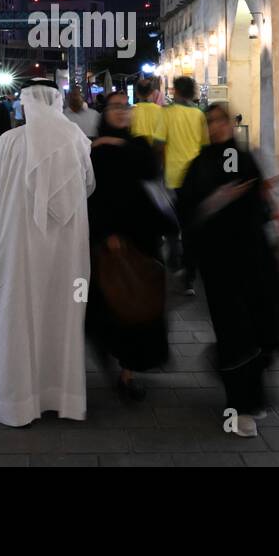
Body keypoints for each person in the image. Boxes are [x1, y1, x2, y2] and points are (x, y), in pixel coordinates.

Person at [178, 103, 279, 438]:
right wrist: (215, 201)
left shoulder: (247, 159)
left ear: (232, 124)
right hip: (219, 265)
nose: (216, 127)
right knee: (234, 334)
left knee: (264, 328)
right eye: (210, 122)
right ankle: (240, 406)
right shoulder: (199, 165)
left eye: (221, 121)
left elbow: (264, 203)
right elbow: (186, 211)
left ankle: (253, 394)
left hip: (255, 259)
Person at [0, 79, 95, 427]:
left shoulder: (9, 141)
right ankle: (63, 398)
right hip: (66, 250)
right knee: (62, 315)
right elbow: (89, 186)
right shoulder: (76, 139)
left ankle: (18, 402)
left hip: (19, 247)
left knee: (18, 313)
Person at [87, 92, 170, 400]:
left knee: (136, 304)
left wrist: (119, 143)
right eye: (115, 107)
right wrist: (106, 233)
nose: (122, 112)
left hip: (141, 239)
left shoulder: (138, 145)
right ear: (104, 112)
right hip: (108, 240)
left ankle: (128, 371)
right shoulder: (93, 148)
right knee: (107, 305)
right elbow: (90, 195)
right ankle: (115, 359)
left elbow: (150, 169)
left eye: (126, 107)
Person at [165, 76, 209, 294]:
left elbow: (159, 145)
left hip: (172, 178)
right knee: (191, 228)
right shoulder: (200, 115)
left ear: (176, 92)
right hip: (196, 179)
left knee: (174, 225)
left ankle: (175, 262)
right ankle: (190, 276)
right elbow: (205, 147)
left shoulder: (168, 114)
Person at [130, 78, 167, 166]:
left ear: (137, 94)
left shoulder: (130, 111)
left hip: (136, 155)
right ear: (151, 92)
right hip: (156, 155)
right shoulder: (162, 111)